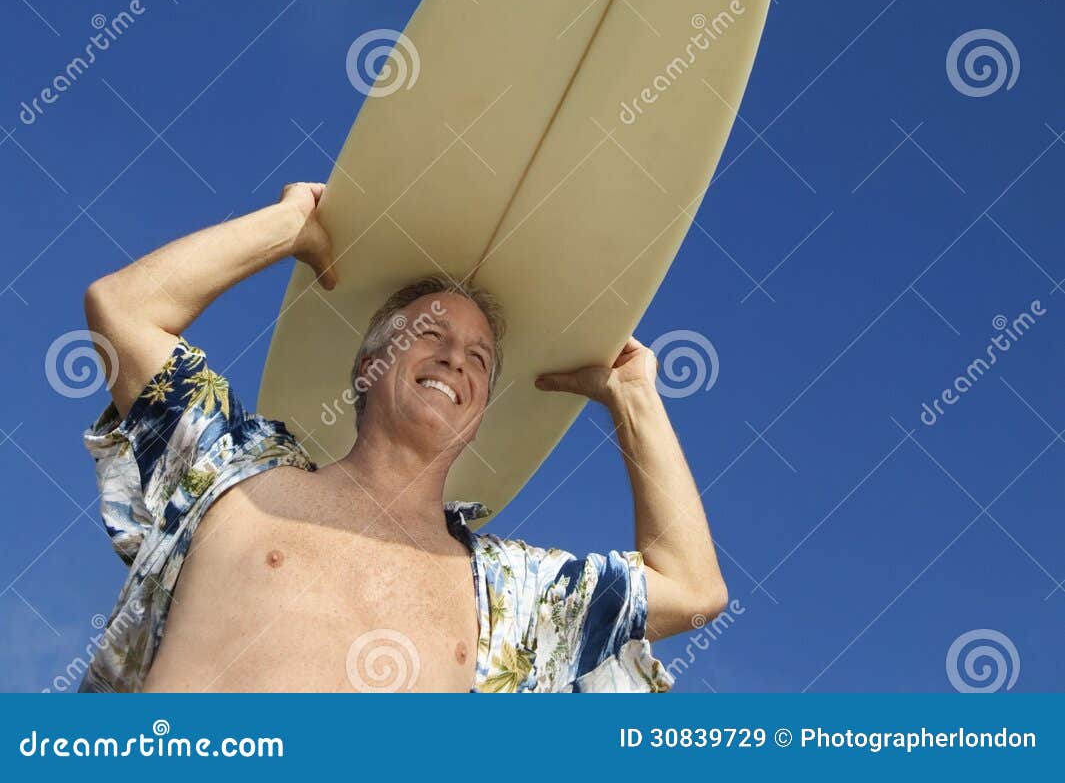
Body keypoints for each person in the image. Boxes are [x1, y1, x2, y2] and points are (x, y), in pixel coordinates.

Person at [80, 182, 728, 693]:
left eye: (478, 359)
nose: (455, 360)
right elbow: (124, 310)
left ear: (477, 416)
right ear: (368, 367)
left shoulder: (508, 596)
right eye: (430, 335)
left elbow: (694, 591)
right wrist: (288, 229)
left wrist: (633, 396)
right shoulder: (233, 473)